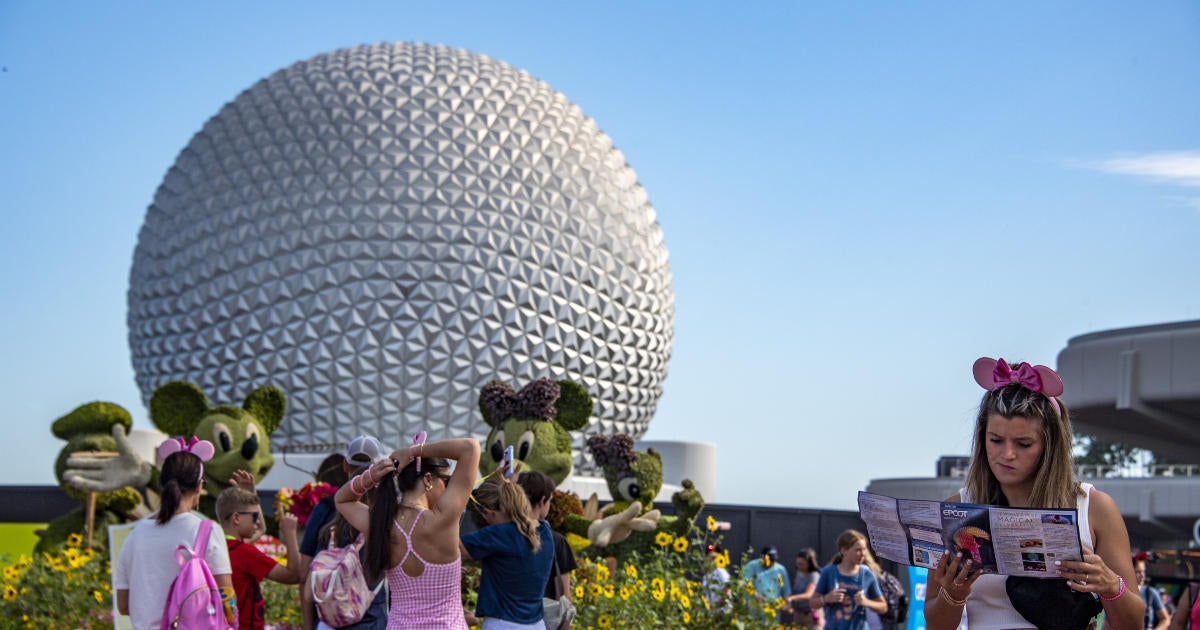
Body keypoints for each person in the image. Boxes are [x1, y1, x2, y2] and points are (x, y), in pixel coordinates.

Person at [924, 357, 1144, 630]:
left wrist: (1111, 586)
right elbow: (935, 625)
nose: (1007, 454)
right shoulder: (957, 510)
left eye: (1024, 443)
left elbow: (1133, 624)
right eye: (995, 440)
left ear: (1049, 446)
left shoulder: (1093, 507)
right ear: (982, 438)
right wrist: (954, 595)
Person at [335, 436, 481, 630]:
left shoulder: (380, 524)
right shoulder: (442, 519)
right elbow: (471, 448)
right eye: (446, 481)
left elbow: (342, 500)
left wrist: (371, 476)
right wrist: (413, 451)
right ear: (428, 480)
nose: (447, 488)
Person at [115, 438, 235, 630]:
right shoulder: (207, 531)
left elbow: (123, 606)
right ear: (199, 486)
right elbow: (226, 597)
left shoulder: (135, 536)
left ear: (162, 484)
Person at [302, 437, 388, 630]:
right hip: (372, 623)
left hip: (330, 623)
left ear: (345, 465)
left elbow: (306, 585)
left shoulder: (327, 524)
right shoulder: (383, 523)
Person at [460, 473, 555, 629]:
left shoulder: (501, 534)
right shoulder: (545, 531)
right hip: (537, 624)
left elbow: (452, 546)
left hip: (503, 623)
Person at [217, 486, 303, 630]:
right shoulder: (245, 552)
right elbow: (294, 575)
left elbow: (262, 530)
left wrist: (252, 493)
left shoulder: (217, 546)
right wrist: (290, 534)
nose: (257, 522)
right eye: (254, 517)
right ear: (236, 518)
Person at [515, 470, 576, 602]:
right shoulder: (556, 541)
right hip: (542, 613)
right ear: (543, 501)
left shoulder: (502, 534)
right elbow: (563, 596)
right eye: (550, 501)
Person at [811, 530, 887, 630]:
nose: (863, 554)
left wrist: (866, 602)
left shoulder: (867, 574)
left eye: (864, 549)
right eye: (858, 550)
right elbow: (812, 603)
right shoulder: (828, 572)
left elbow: (883, 607)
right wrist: (826, 598)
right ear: (844, 550)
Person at [743, 545, 793, 622]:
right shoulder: (752, 566)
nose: (771, 563)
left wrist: (787, 605)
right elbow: (745, 583)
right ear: (762, 558)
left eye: (773, 560)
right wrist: (756, 595)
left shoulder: (780, 570)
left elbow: (784, 589)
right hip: (753, 609)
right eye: (769, 560)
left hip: (772, 611)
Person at [789, 548, 822, 628]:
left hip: (811, 616)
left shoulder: (814, 575)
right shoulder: (799, 574)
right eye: (798, 564)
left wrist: (792, 598)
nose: (799, 567)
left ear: (809, 564)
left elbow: (809, 594)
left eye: (802, 564)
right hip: (798, 615)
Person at [703, 544, 732, 609]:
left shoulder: (721, 572)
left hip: (722, 611)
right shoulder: (706, 576)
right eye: (709, 558)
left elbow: (727, 591)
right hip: (711, 611)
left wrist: (716, 608)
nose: (712, 561)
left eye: (714, 558)